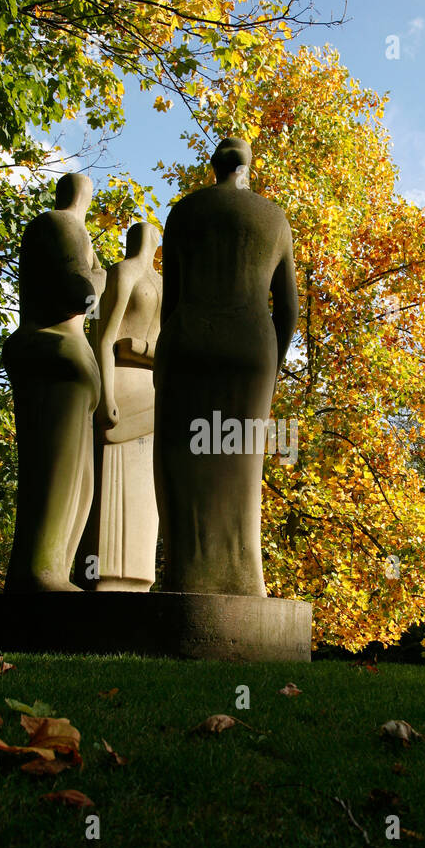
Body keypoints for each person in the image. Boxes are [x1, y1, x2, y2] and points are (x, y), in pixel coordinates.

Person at [153, 138, 298, 596]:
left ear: (214, 166)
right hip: (251, 348)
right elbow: (288, 310)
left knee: (181, 456)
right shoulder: (273, 218)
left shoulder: (183, 213)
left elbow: (171, 301)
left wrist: (165, 358)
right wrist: (273, 363)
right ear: (247, 168)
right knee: (242, 461)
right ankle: (243, 578)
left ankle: (185, 573)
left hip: (189, 341)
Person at [2, 172, 104, 593]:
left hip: (63, 361)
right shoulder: (63, 224)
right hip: (56, 356)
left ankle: (52, 571)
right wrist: (99, 277)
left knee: (79, 485)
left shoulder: (61, 227)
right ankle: (39, 572)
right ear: (85, 196)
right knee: (55, 479)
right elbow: (77, 294)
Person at [75, 221, 162, 590]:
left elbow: (166, 348)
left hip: (152, 392)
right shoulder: (122, 272)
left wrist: (144, 349)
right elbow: (104, 337)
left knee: (145, 495)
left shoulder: (162, 283)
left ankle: (139, 576)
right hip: (121, 384)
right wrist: (106, 395)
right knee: (111, 488)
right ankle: (104, 576)